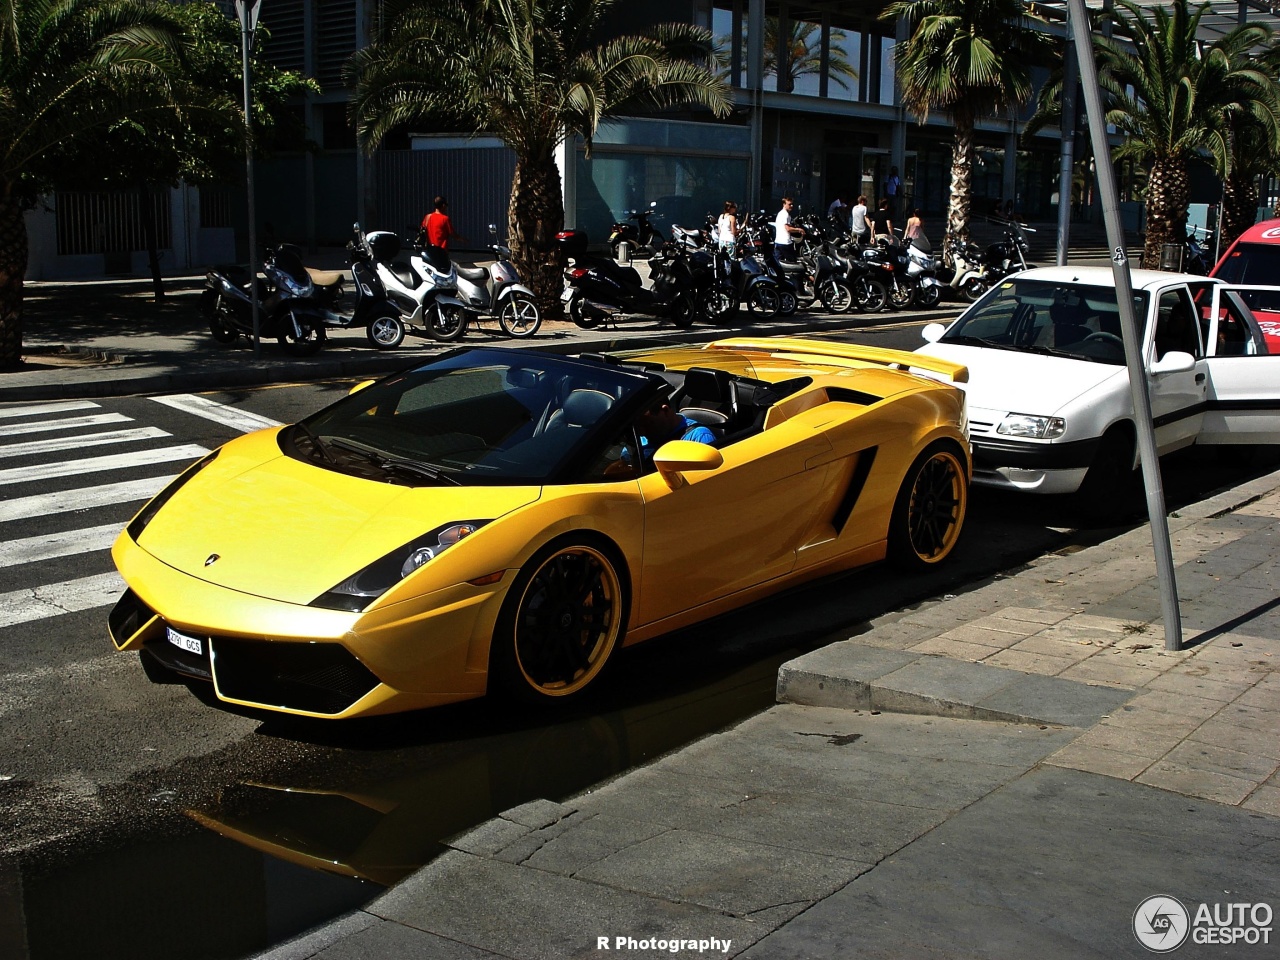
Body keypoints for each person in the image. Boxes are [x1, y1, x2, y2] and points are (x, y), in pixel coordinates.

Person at [634, 401, 716, 466]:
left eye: (649, 424)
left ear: (665, 411)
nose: (642, 433)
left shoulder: (698, 437)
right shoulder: (639, 437)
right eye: (639, 426)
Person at [421, 195, 459, 271]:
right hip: (442, 252)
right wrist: (463, 240)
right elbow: (452, 234)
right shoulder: (445, 219)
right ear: (443, 205)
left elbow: (422, 229)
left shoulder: (427, 217)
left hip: (430, 251)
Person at [773, 196, 805, 262]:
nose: (791, 206)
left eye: (792, 204)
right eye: (789, 204)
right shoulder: (785, 214)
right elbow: (788, 229)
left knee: (778, 263)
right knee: (792, 262)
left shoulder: (780, 213)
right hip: (785, 242)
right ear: (784, 204)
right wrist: (799, 230)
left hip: (778, 242)